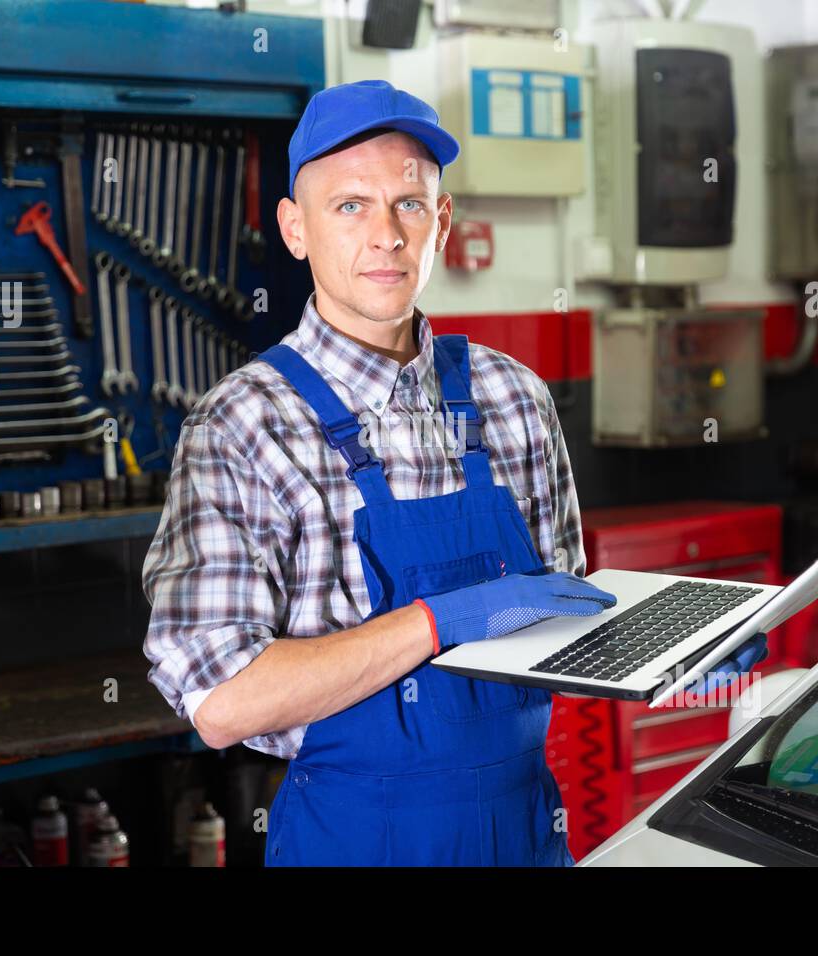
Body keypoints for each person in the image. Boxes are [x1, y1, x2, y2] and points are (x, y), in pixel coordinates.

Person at [142, 79, 617, 866]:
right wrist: (440, 622)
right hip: (359, 838)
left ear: (443, 222)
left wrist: (664, 656)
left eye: (409, 202)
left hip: (525, 831)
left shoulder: (515, 397)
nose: (387, 235)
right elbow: (224, 703)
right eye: (350, 206)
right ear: (296, 230)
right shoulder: (242, 425)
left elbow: (551, 628)